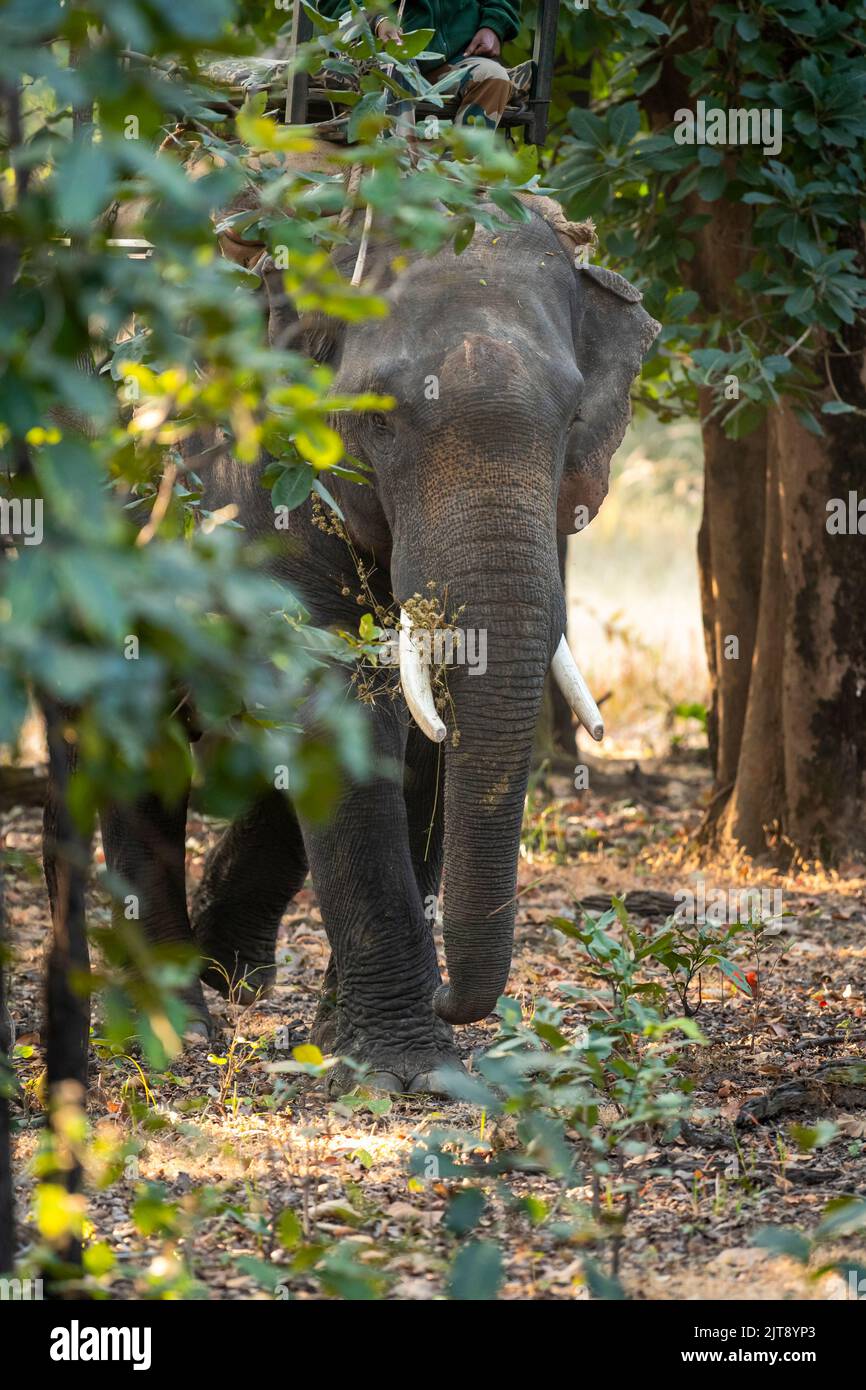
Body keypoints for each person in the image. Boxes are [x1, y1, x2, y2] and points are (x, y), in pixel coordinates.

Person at [318, 0, 525, 130]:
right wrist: (377, 21)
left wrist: (494, 25)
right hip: (384, 57)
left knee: (494, 77)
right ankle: (403, 181)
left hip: (455, 57)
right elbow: (334, 5)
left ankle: (460, 184)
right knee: (398, 71)